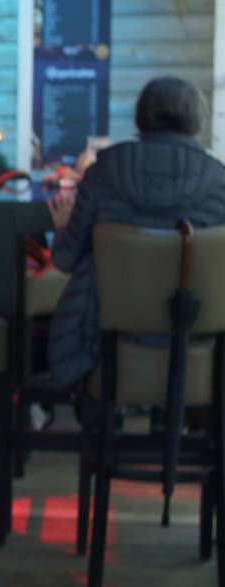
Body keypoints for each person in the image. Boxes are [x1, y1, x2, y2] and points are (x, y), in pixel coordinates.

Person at [47, 76, 225, 391]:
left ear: (141, 117)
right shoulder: (219, 183)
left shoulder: (103, 172)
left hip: (100, 343)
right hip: (198, 342)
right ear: (198, 118)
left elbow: (65, 259)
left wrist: (63, 228)